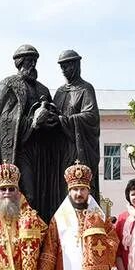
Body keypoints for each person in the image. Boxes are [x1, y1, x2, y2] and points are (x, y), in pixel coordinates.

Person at [0, 44, 58, 221]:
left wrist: (49, 119)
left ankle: (40, 232)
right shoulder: (9, 83)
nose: (32, 65)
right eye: (28, 61)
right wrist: (33, 121)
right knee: (28, 193)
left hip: (41, 150)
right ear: (19, 63)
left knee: (43, 195)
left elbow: (54, 118)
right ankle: (22, 229)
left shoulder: (42, 89)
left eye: (34, 61)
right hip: (19, 150)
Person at [53, 49, 101, 202]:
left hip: (78, 147)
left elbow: (91, 116)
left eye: (66, 66)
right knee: (61, 187)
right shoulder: (60, 92)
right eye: (61, 67)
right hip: (60, 147)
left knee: (80, 182)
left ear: (75, 65)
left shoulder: (86, 88)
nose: (63, 70)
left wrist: (64, 120)